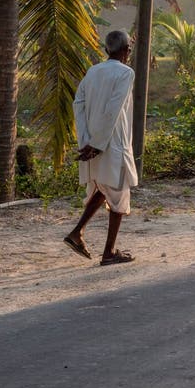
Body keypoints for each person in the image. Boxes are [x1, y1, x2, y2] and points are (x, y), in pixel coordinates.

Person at [63, 29, 137, 266]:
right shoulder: (126, 73)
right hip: (112, 144)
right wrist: (97, 144)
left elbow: (79, 104)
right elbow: (114, 108)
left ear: (107, 50)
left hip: (94, 143)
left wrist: (86, 140)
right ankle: (109, 252)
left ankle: (77, 233)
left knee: (104, 188)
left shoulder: (93, 71)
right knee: (119, 192)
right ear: (127, 50)